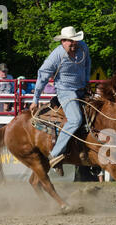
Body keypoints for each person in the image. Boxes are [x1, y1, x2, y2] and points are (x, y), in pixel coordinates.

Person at [29, 26, 91, 169]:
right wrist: (35, 99)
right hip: (65, 91)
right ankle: (55, 155)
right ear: (63, 41)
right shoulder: (56, 56)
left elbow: (88, 63)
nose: (74, 43)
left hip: (81, 88)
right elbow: (42, 75)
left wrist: (87, 80)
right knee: (76, 119)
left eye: (75, 41)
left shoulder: (83, 48)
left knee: (96, 113)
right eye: (70, 41)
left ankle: (89, 153)